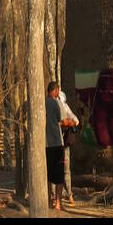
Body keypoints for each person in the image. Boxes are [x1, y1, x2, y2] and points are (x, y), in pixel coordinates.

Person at [45, 80, 67, 211]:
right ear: (56, 90)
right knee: (59, 175)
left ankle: (48, 200)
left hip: (45, 144)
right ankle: (58, 202)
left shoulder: (41, 103)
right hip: (57, 143)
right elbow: (63, 121)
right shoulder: (56, 102)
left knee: (47, 174)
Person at [57, 86, 79, 206]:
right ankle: (55, 198)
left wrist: (71, 122)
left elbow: (75, 119)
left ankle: (69, 194)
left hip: (64, 144)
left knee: (66, 170)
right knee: (56, 170)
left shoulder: (65, 107)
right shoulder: (51, 108)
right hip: (54, 143)